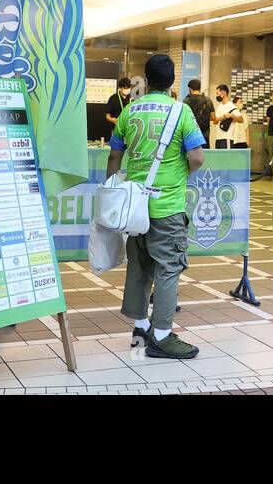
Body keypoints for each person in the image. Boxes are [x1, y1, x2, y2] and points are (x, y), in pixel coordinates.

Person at [106, 54, 205, 361]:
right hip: (167, 206)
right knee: (168, 268)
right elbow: (198, 158)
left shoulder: (129, 111)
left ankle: (140, 327)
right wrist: (179, 176)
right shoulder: (181, 111)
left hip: (134, 206)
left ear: (144, 80)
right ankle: (161, 336)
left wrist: (114, 191)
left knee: (139, 266)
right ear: (172, 80)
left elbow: (114, 158)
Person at [182, 79, 213, 147]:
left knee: (190, 156)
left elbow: (183, 118)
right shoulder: (208, 100)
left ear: (190, 89)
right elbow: (213, 117)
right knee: (205, 155)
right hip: (205, 136)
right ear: (200, 88)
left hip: (190, 135)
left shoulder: (186, 101)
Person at [211, 84, 235, 149]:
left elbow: (241, 119)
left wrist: (231, 115)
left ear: (223, 94)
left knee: (227, 158)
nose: (217, 96)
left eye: (217, 93)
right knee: (219, 158)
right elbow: (215, 122)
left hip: (227, 138)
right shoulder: (219, 106)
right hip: (218, 138)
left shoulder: (231, 105)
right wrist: (222, 117)